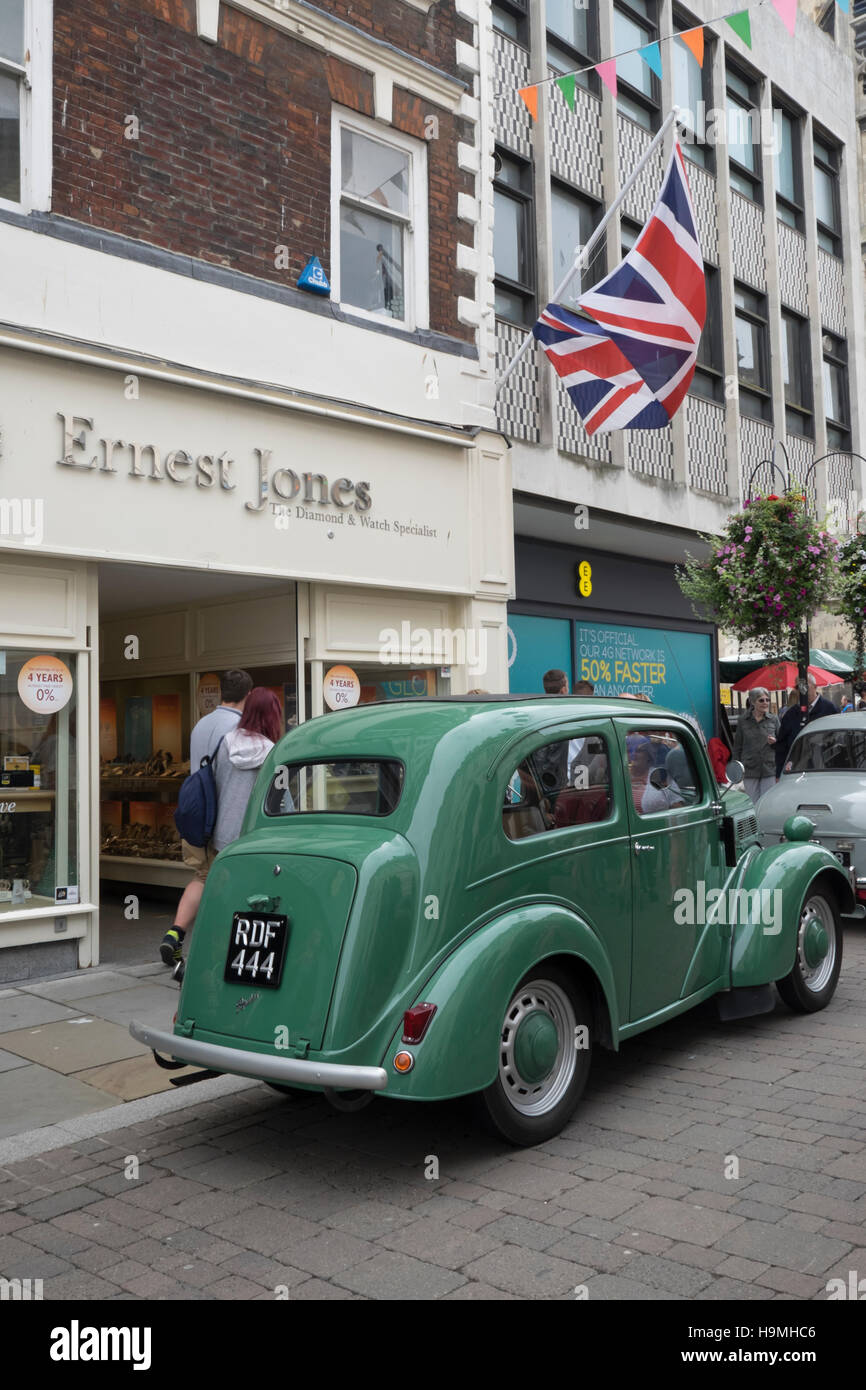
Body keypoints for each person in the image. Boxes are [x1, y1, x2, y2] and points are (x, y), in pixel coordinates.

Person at [159, 668, 252, 975]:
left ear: (222, 692)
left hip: (199, 818)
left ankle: (175, 932)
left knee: (202, 877)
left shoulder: (201, 724)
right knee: (231, 884)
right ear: (248, 696)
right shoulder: (240, 728)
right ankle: (215, 950)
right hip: (228, 820)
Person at [774, 675, 836, 776]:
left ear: (815, 687)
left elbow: (838, 739)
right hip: (796, 770)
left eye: (806, 686)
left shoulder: (830, 709)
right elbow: (782, 746)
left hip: (824, 769)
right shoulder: (791, 714)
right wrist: (779, 772)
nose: (802, 690)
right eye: (799, 687)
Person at [733, 687, 779, 803]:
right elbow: (737, 746)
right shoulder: (743, 720)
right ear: (753, 702)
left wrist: (775, 742)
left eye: (767, 700)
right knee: (752, 803)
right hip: (749, 768)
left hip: (769, 768)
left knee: (767, 802)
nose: (765, 703)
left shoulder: (773, 719)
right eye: (761, 700)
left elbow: (782, 743)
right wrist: (736, 769)